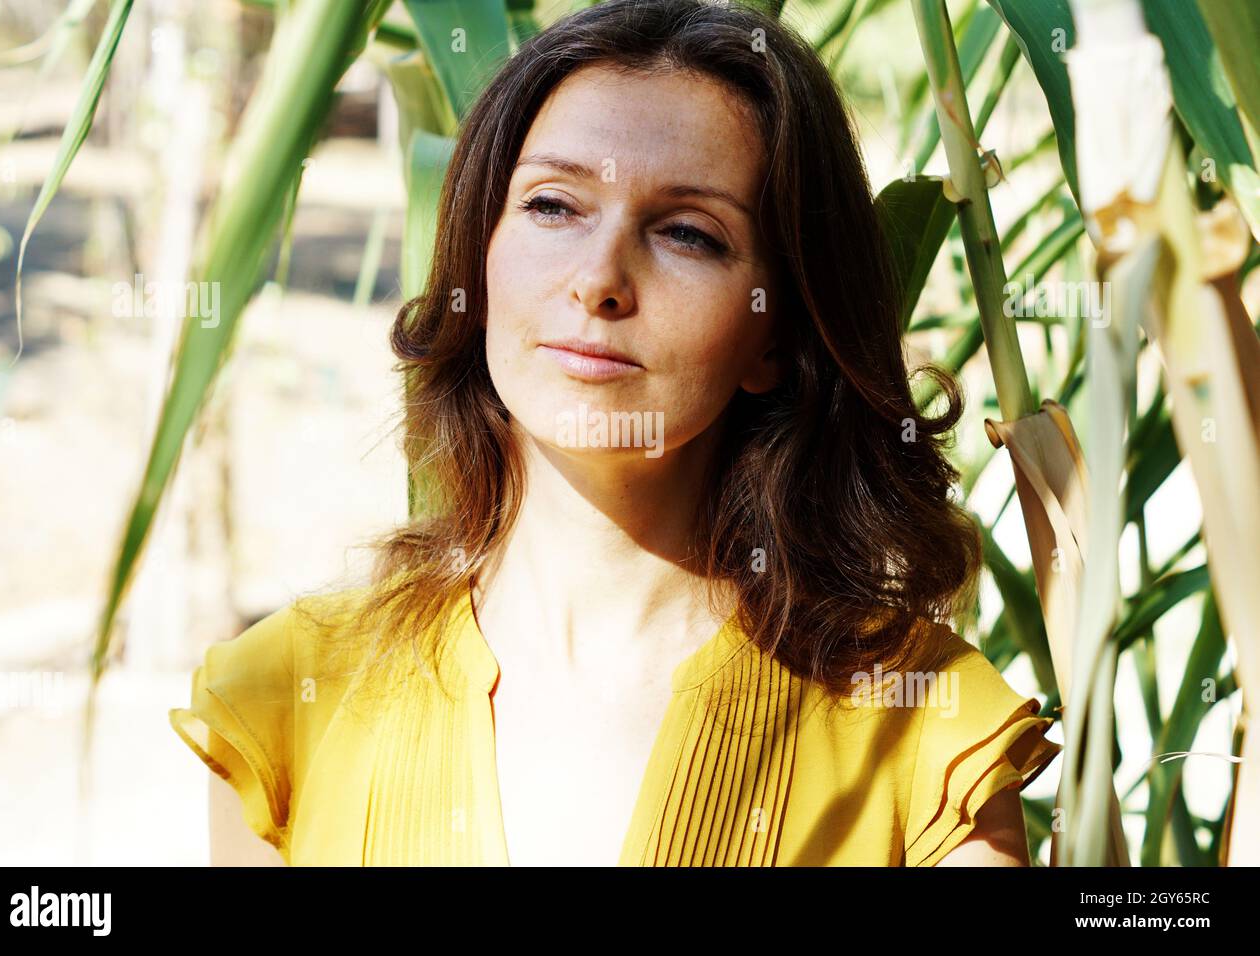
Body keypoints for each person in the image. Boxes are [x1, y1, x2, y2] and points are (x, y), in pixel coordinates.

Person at [171, 0, 1060, 867]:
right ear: (479, 256)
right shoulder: (284, 701)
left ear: (778, 335)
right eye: (554, 206)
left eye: (687, 233)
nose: (599, 279)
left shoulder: (929, 739)